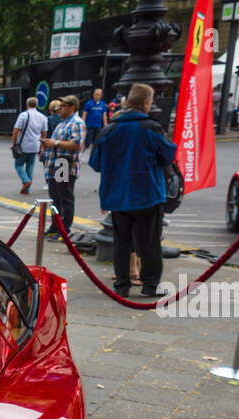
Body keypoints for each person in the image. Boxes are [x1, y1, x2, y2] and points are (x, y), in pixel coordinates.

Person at [88, 83, 177, 298]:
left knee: (121, 242)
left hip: (118, 196)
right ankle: (149, 285)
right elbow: (168, 155)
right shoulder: (151, 127)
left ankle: (122, 286)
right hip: (148, 195)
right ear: (146, 102)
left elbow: (95, 162)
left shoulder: (109, 129)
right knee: (150, 243)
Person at [40, 95, 84, 240]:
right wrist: (49, 143)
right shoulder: (62, 123)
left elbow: (77, 144)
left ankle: (64, 229)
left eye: (63, 105)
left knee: (64, 197)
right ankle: (55, 226)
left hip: (65, 163)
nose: (59, 108)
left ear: (72, 107)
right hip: (55, 163)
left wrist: (56, 143)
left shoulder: (76, 123)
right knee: (55, 198)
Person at [12, 97, 47, 195]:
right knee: (30, 166)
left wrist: (14, 143)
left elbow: (16, 130)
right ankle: (27, 189)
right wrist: (41, 146)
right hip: (35, 145)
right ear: (36, 105)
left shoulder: (23, 115)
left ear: (27, 105)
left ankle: (26, 181)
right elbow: (44, 134)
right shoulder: (43, 117)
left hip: (23, 145)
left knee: (18, 165)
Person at [82, 89, 108, 155]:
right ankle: (80, 155)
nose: (97, 96)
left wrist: (105, 125)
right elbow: (84, 114)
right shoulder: (89, 103)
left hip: (98, 126)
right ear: (93, 95)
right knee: (87, 143)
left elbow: (104, 115)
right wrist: (82, 123)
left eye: (98, 94)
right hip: (89, 126)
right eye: (96, 94)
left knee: (96, 142)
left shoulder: (102, 104)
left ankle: (93, 156)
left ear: (101, 95)